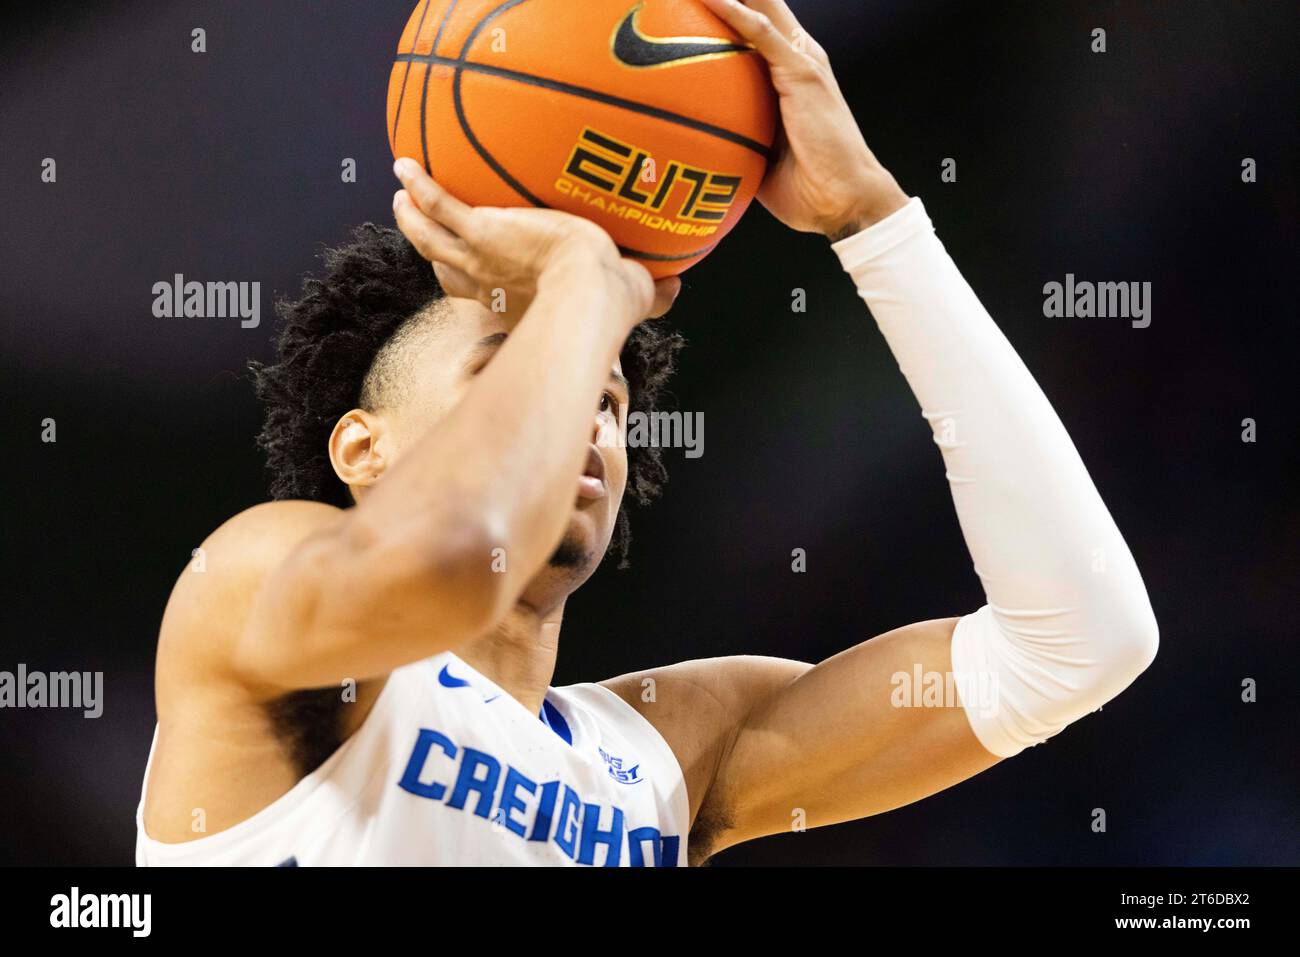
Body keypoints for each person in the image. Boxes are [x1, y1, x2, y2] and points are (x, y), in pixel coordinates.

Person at [135, 0, 1157, 867]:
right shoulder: (254, 585)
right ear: (362, 449)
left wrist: (876, 225)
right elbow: (449, 566)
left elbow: (1079, 647)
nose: (581, 410)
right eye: (512, 371)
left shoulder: (667, 753)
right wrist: (584, 282)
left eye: (606, 398)